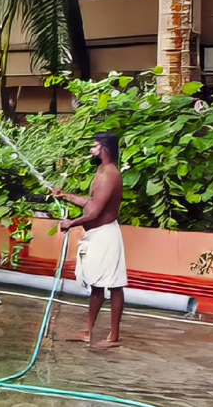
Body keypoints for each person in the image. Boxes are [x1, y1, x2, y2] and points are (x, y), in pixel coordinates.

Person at [51, 131, 126, 348]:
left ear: (104, 148)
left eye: (94, 146)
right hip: (96, 236)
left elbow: (95, 212)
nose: (91, 150)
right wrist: (67, 196)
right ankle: (88, 331)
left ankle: (114, 337)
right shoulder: (101, 171)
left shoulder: (109, 174)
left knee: (114, 285)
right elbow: (92, 202)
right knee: (96, 286)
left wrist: (70, 223)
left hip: (105, 235)